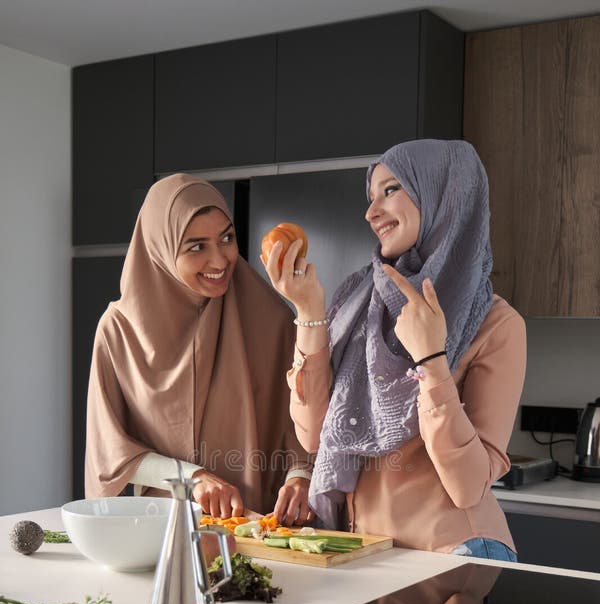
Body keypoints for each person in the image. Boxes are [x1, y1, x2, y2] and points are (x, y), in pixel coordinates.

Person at [262, 140, 526, 559]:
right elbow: (313, 435)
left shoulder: (497, 324)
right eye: (370, 197)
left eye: (391, 190)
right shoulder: (357, 306)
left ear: (444, 194)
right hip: (360, 555)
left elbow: (469, 485)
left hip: (451, 553)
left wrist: (433, 362)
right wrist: (309, 310)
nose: (371, 213)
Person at [85, 174, 312, 523]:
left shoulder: (272, 318)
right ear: (160, 249)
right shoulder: (118, 331)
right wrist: (193, 478)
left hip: (260, 529)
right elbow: (111, 451)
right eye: (196, 247)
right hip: (161, 527)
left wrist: (301, 478)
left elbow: (302, 426)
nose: (220, 261)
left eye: (227, 238)